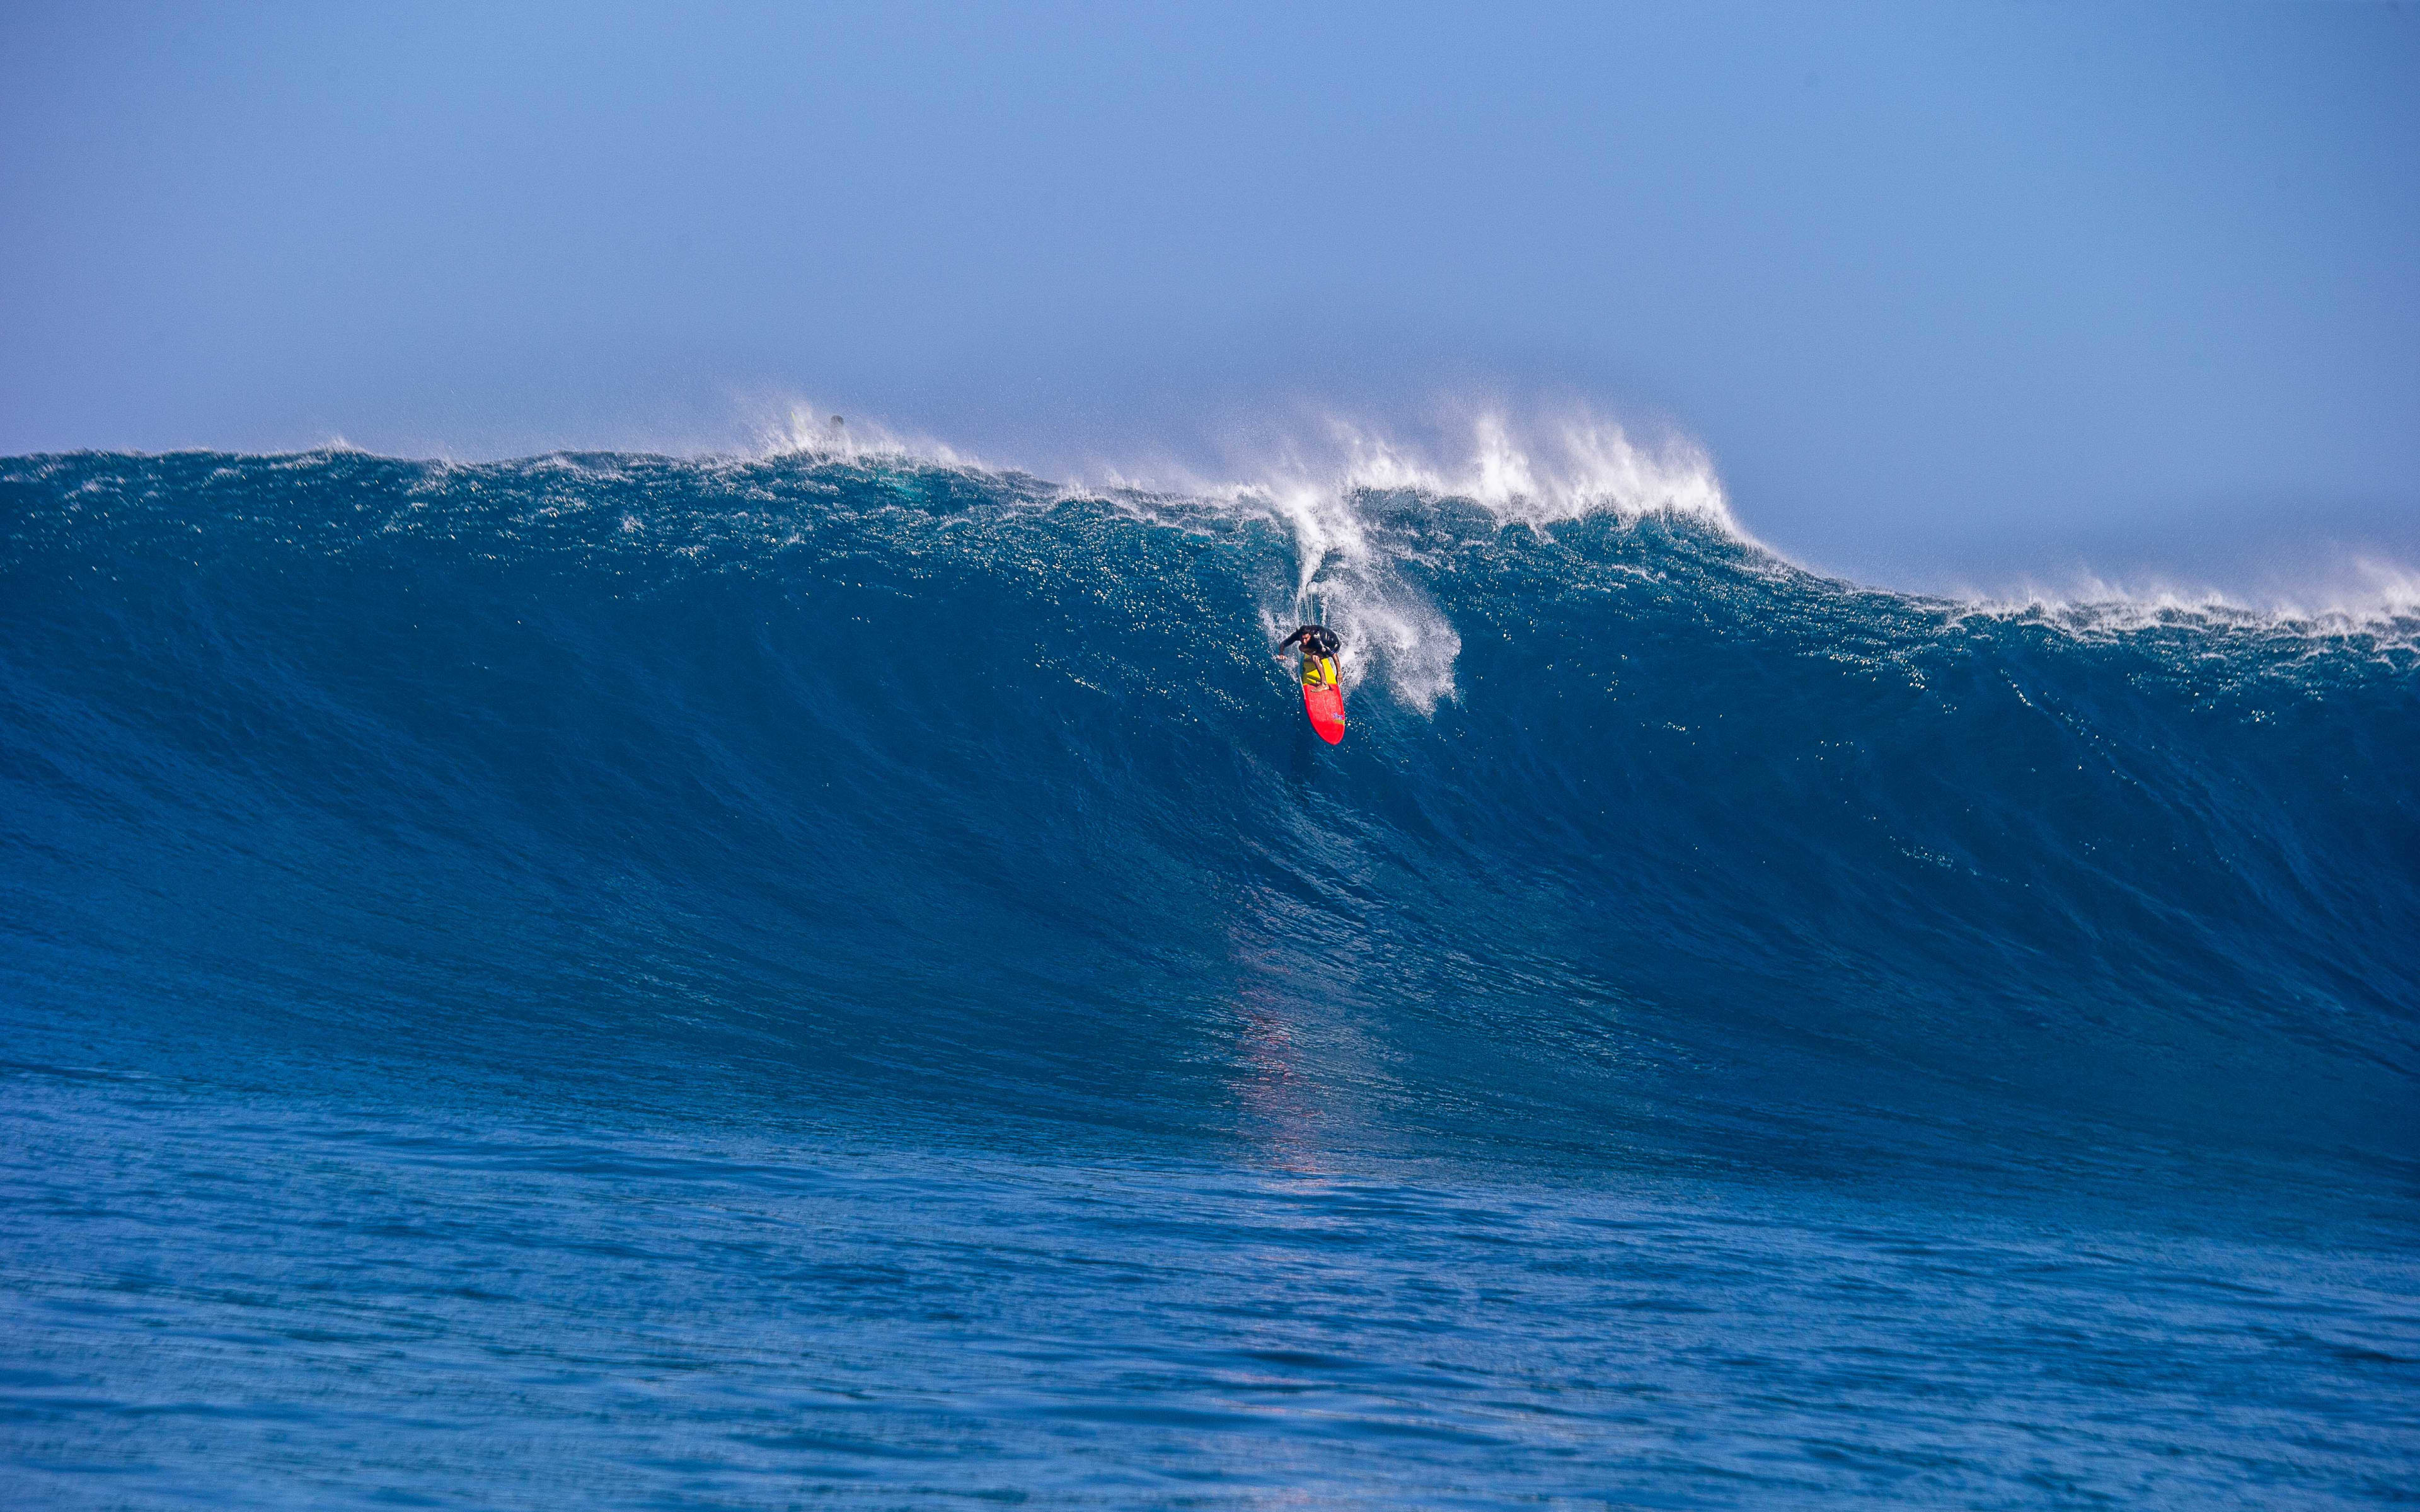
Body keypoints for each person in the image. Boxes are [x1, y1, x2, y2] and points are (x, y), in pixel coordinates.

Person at [1278, 624, 1340, 689]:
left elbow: (1334, 654)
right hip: (1321, 643)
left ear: (1310, 635)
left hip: (1334, 645)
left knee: (1315, 657)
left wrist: (1339, 672)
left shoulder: (1317, 639)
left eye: (1306, 638)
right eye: (1302, 639)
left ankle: (1324, 684)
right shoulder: (1297, 635)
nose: (1304, 641)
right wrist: (1281, 653)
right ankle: (1319, 657)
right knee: (1301, 647)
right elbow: (1284, 643)